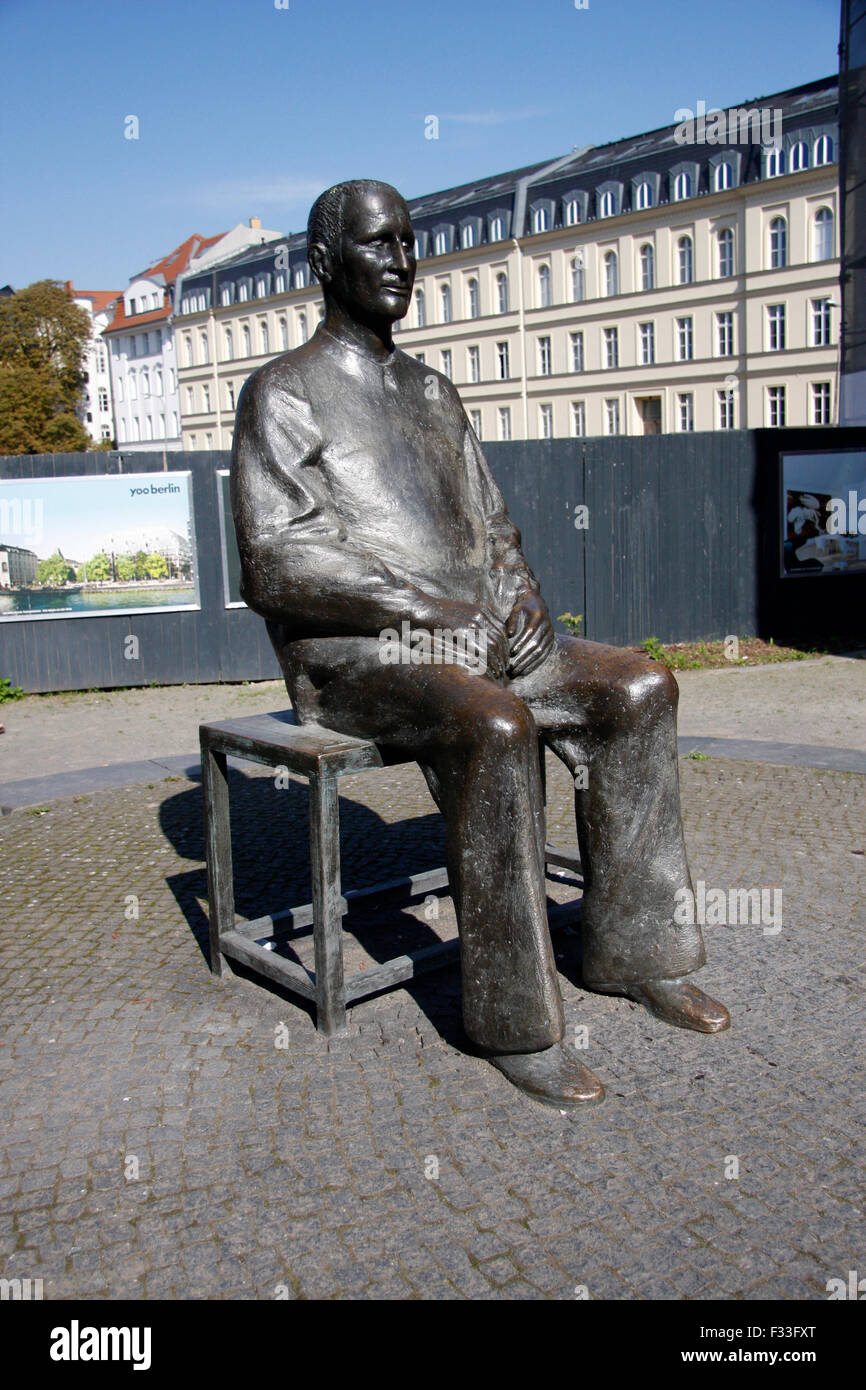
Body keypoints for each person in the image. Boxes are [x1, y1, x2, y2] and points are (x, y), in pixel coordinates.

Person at [231, 179, 730, 1109]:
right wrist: (422, 605)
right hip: (356, 657)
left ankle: (634, 949)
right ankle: (515, 1019)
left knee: (639, 689)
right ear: (323, 263)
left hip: (478, 633)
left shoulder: (430, 390)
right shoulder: (283, 393)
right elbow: (277, 561)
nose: (400, 261)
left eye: (408, 243)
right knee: (496, 726)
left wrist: (524, 592)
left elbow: (492, 524)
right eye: (379, 244)